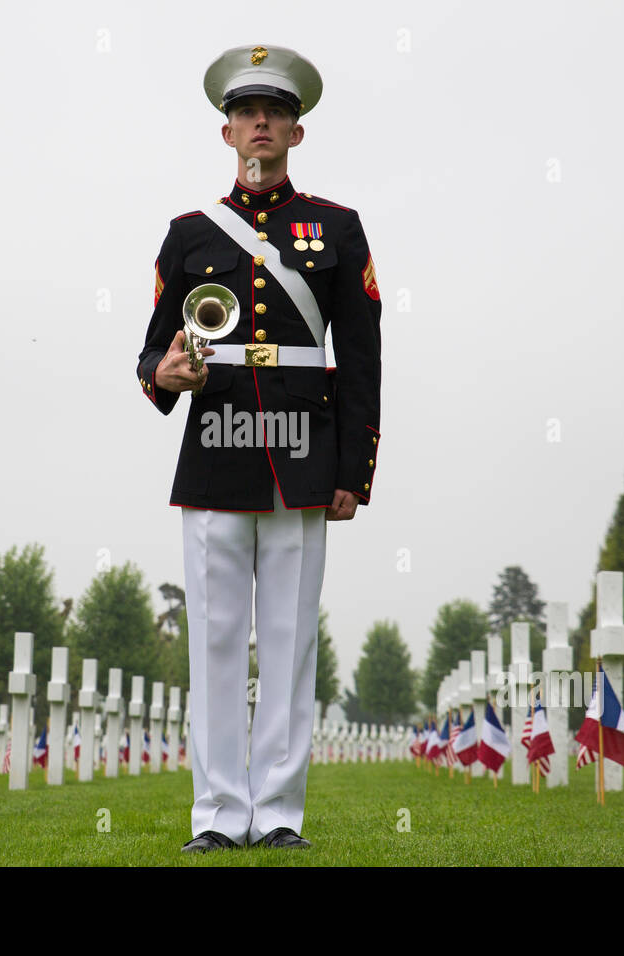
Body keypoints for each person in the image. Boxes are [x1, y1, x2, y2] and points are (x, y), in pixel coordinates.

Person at [135, 44, 382, 852]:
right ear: (227, 130)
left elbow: (363, 359)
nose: (261, 123)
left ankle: (276, 815)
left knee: (288, 639)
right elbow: (151, 356)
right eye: (248, 112)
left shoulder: (338, 229)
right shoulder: (187, 234)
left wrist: (355, 470)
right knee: (212, 642)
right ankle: (215, 817)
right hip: (214, 451)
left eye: (275, 112)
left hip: (305, 455)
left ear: (296, 132)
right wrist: (166, 374)